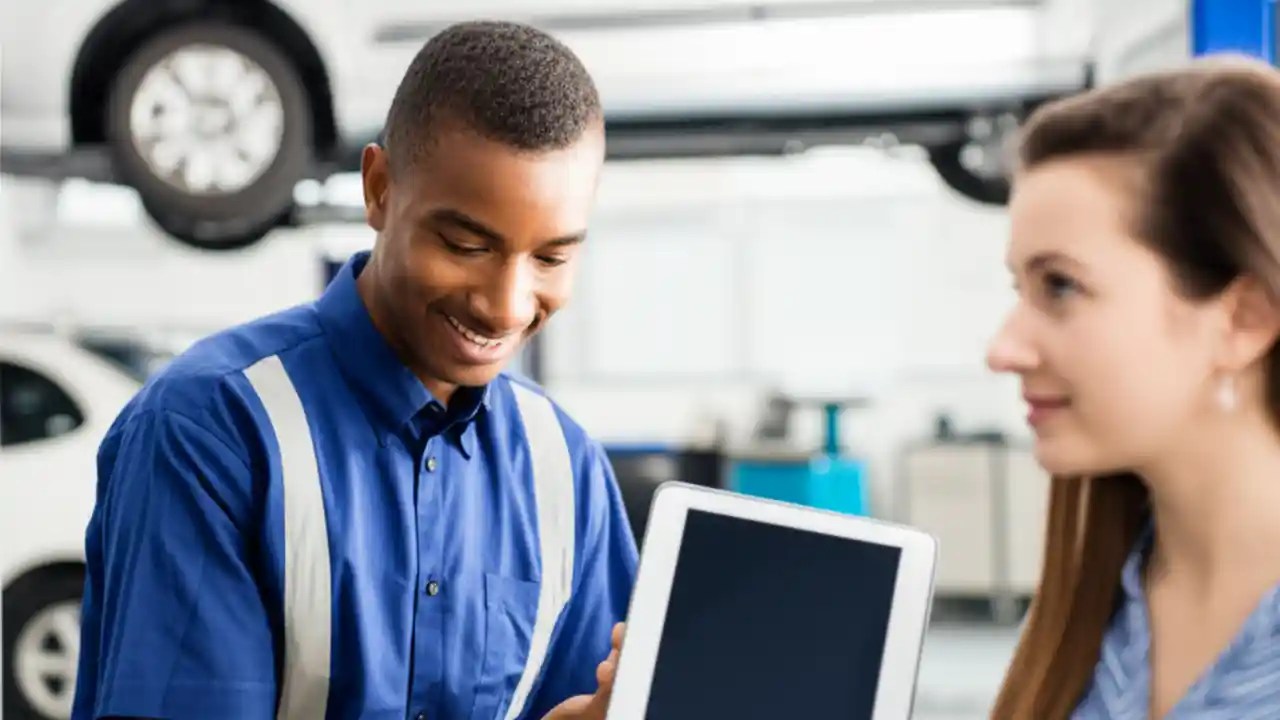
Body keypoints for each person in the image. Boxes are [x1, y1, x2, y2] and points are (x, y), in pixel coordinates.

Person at [71, 21, 637, 720]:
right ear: (378, 189)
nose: (505, 306)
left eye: (551, 259)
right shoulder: (211, 435)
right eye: (464, 245)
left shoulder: (566, 468)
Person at [986, 55, 1280, 718]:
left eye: (1060, 286)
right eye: (1020, 288)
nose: (1003, 349)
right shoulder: (1093, 606)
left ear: (1242, 319)